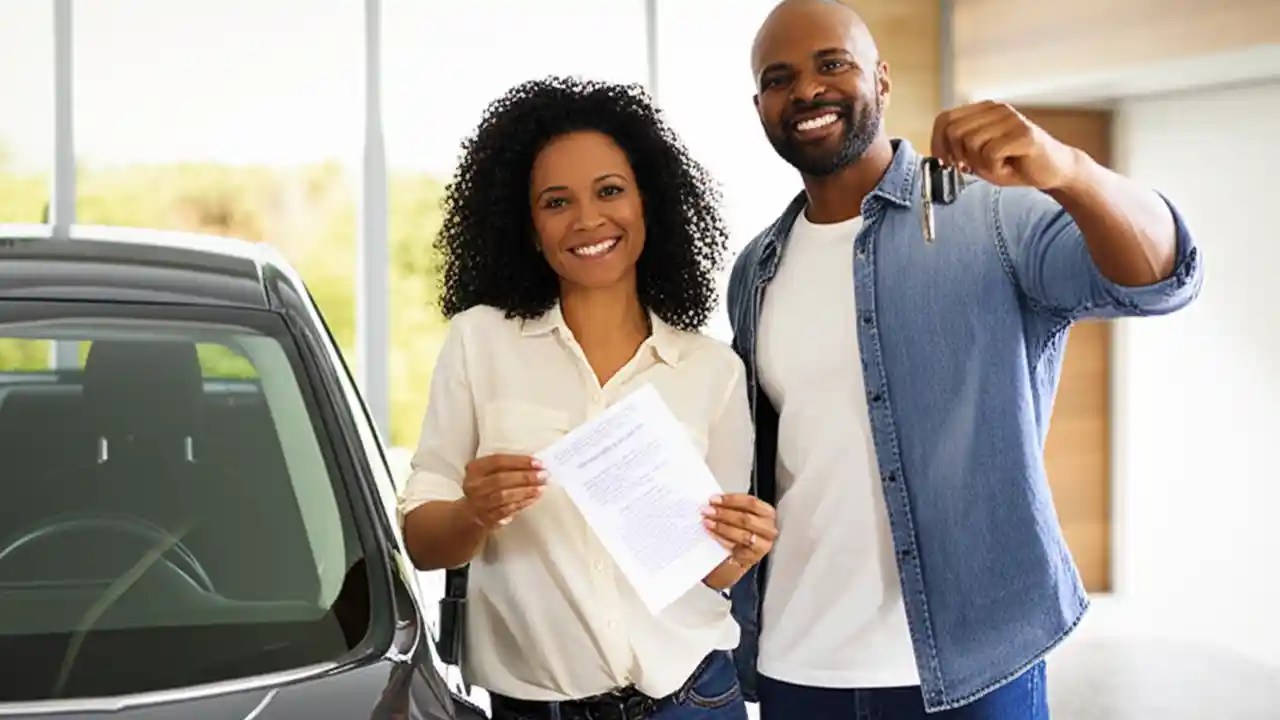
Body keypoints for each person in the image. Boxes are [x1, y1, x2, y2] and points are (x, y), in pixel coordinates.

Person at [725, 1, 1204, 718]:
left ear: (881, 80)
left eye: (833, 64)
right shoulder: (755, 268)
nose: (807, 90)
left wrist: (1067, 169)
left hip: (973, 667)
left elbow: (1164, 279)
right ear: (759, 105)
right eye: (779, 77)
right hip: (798, 664)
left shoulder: (991, 217)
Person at [397, 76, 779, 720]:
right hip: (535, 707)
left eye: (609, 191)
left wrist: (740, 549)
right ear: (528, 225)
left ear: (647, 202)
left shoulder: (710, 370)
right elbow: (422, 541)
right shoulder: (479, 342)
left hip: (691, 696)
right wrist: (474, 512)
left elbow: (711, 573)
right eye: (556, 202)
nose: (588, 220)